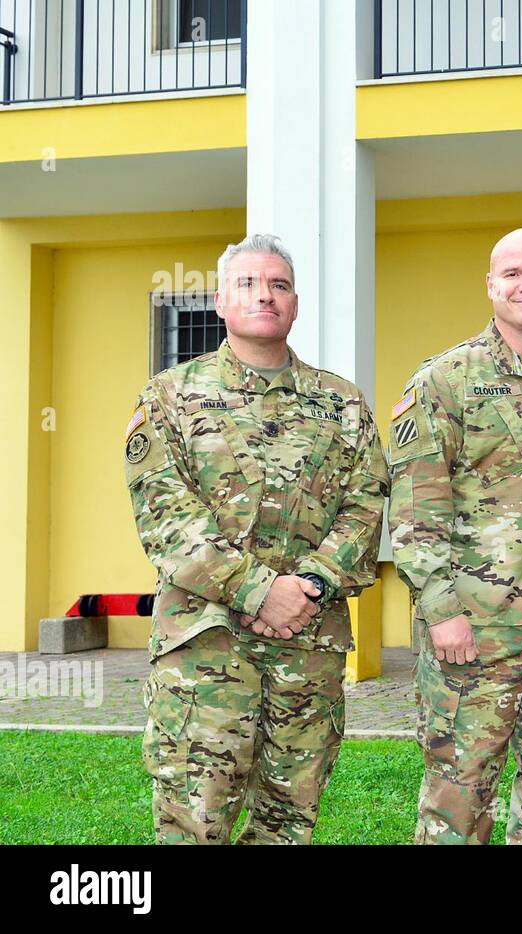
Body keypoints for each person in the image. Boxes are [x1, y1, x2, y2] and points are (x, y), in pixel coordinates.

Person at [125, 233, 389, 844]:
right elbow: (166, 514)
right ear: (219, 300)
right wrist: (257, 591)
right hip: (205, 647)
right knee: (196, 819)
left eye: (278, 285)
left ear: (295, 304)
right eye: (247, 283)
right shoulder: (170, 396)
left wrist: (312, 585)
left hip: (308, 643)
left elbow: (367, 503)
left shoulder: (341, 404)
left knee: (289, 820)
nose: (264, 296)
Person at [388, 228, 522, 845]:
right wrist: (441, 613)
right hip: (477, 629)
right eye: (513, 273)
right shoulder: (443, 382)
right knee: (460, 794)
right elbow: (413, 511)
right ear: (491, 286)